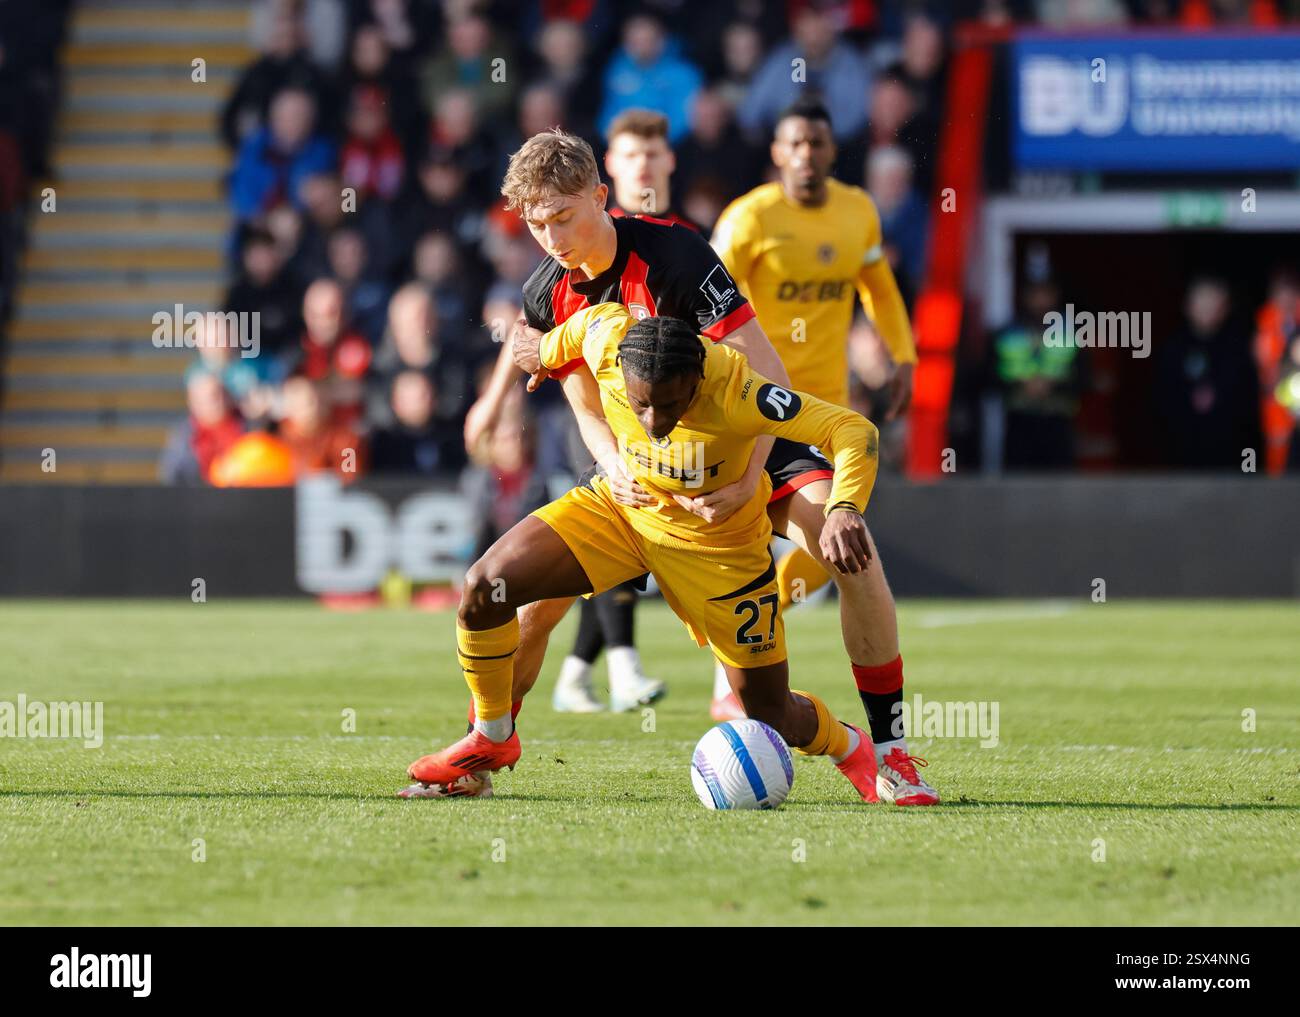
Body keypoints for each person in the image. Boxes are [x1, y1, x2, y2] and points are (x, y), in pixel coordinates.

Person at [400, 306, 882, 803]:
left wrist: (844, 506)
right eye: (640, 406)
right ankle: (492, 736)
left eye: (670, 405)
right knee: (485, 586)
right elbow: (542, 345)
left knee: (771, 713)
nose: (653, 422)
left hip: (719, 550)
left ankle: (851, 747)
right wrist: (530, 352)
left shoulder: (738, 390)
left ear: (696, 380)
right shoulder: (604, 333)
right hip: (621, 513)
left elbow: (853, 431)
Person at [461, 127, 790, 730]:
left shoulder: (678, 256)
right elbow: (582, 403)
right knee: (526, 607)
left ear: (600, 194)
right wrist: (611, 465)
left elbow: (768, 370)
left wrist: (751, 476)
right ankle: (485, 743)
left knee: (843, 551)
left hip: (718, 464)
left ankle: (884, 743)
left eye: (563, 217)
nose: (553, 239)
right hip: (627, 468)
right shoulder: (545, 291)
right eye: (538, 226)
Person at [709, 99, 937, 805]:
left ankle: (892, 752)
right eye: (794, 143)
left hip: (818, 420)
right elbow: (700, 305)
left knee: (849, 552)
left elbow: (878, 287)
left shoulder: (858, 213)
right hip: (743, 413)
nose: (806, 154)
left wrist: (901, 353)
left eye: (817, 142)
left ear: (832, 150)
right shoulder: (748, 220)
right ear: (777, 152)